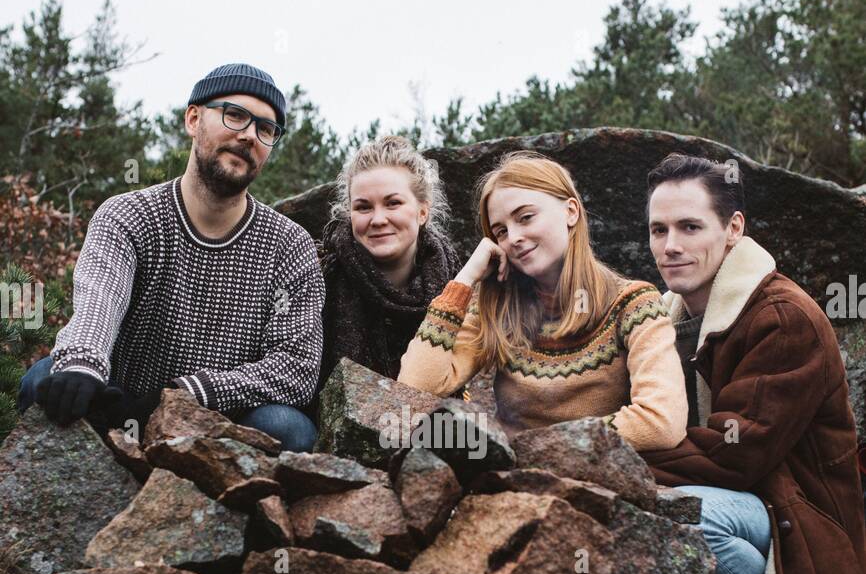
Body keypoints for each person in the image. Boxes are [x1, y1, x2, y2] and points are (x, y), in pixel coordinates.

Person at [641, 152, 866, 574]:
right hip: (754, 507)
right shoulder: (667, 319)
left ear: (733, 229)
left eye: (691, 227)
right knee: (676, 518)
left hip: (802, 515)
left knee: (689, 515)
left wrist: (617, 460)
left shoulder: (783, 318)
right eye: (658, 229)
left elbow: (731, 453)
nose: (670, 245)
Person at [19, 62, 325, 451]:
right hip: (116, 400)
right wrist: (83, 364)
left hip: (217, 421)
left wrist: (188, 394)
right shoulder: (128, 215)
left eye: (266, 129)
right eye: (235, 115)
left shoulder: (289, 245)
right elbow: (99, 301)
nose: (249, 135)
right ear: (193, 119)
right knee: (45, 380)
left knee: (288, 427)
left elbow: (295, 366)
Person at [398, 151, 687, 450]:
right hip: (512, 483)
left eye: (526, 217)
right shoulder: (496, 307)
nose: (514, 237)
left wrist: (533, 444)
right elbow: (414, 390)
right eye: (501, 231)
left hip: (602, 483)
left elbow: (662, 422)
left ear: (570, 211)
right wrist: (465, 280)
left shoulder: (634, 304)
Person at [317, 135, 462, 394]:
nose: (378, 219)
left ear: (422, 212)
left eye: (393, 203)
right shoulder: (322, 278)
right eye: (363, 207)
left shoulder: (456, 282)